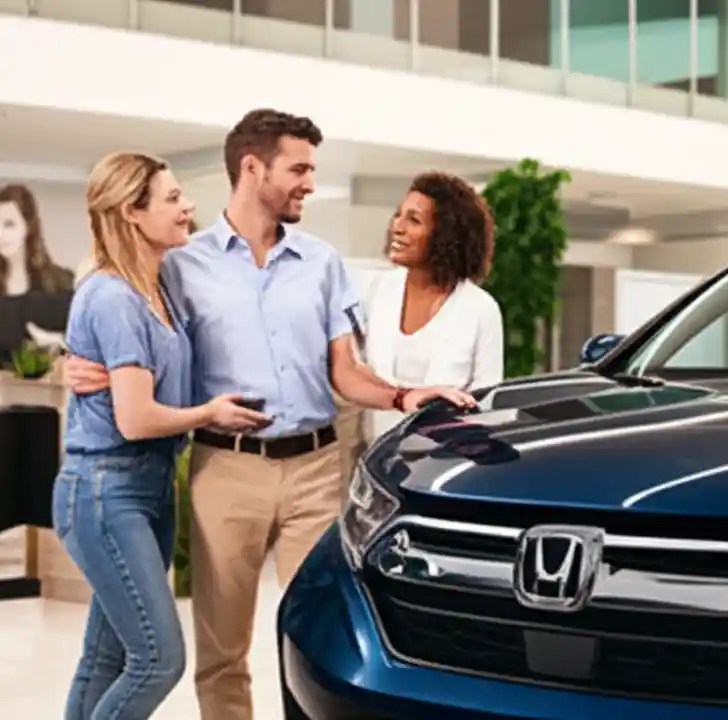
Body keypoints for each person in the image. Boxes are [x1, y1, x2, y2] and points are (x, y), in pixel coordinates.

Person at [63, 108, 476, 720]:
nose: (310, 182)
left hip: (315, 468)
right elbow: (120, 301)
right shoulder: (181, 263)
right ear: (254, 168)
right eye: (299, 169)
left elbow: (344, 371)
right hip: (225, 470)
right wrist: (74, 359)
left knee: (319, 637)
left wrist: (401, 395)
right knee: (221, 651)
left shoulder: (323, 263)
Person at [53, 151, 270, 719]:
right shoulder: (113, 296)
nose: (187, 206)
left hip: (149, 487)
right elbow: (135, 419)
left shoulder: (161, 284)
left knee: (106, 658)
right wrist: (208, 414)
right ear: (131, 212)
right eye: (173, 198)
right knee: (157, 659)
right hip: (105, 491)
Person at [360, 172, 504, 442]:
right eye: (398, 215)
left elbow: (487, 406)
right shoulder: (376, 290)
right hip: (377, 456)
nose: (397, 227)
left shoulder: (480, 309)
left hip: (444, 457)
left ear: (444, 234)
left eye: (413, 220)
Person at [0, 183, 76, 359]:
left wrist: (58, 345)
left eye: (9, 224)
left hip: (52, 377)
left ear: (28, 226)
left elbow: (77, 358)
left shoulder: (60, 286)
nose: (1, 234)